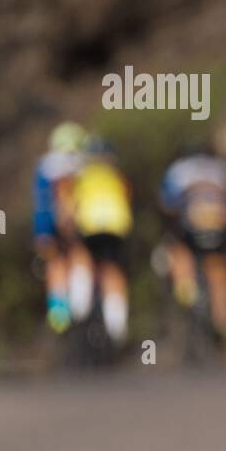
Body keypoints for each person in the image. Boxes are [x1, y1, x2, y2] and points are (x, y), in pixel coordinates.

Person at [160, 140, 226, 335]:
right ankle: (224, 320)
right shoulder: (221, 168)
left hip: (191, 224)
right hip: (219, 224)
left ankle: (188, 295)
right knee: (218, 267)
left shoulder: (178, 169)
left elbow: (167, 204)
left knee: (180, 251)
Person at [69, 135, 134, 347]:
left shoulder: (81, 176)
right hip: (116, 225)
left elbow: (70, 208)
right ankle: (117, 324)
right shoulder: (117, 176)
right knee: (112, 270)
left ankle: (80, 305)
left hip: (91, 225)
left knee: (81, 256)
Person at [33, 122, 87, 334]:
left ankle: (58, 312)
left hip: (47, 223)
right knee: (79, 254)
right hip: (75, 220)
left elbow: (40, 201)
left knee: (55, 262)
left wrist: (42, 231)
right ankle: (80, 303)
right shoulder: (82, 163)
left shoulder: (44, 165)